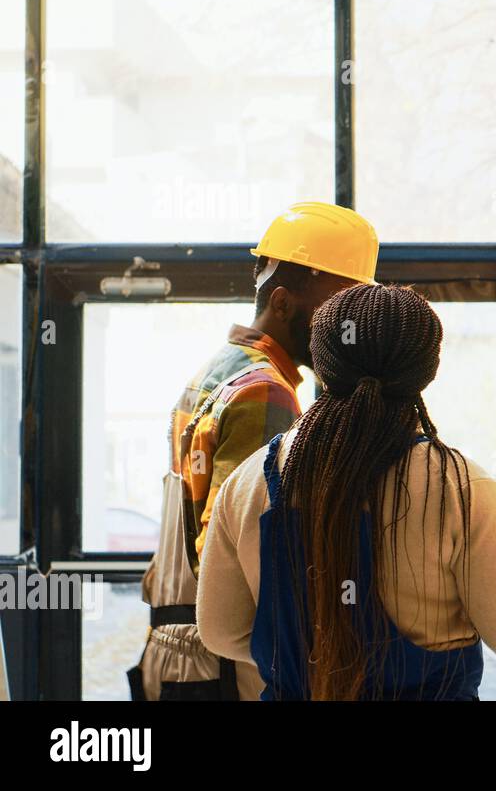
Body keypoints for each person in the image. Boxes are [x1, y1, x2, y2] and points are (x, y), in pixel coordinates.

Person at [195, 283, 496, 700]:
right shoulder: (461, 487)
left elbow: (221, 633)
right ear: (427, 368)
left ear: (323, 361)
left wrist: (317, 655)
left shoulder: (247, 483)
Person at [130, 201, 381, 701]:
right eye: (336, 310)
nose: (344, 330)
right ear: (284, 304)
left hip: (181, 651)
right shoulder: (266, 391)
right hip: (221, 664)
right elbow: (237, 550)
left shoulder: (216, 373)